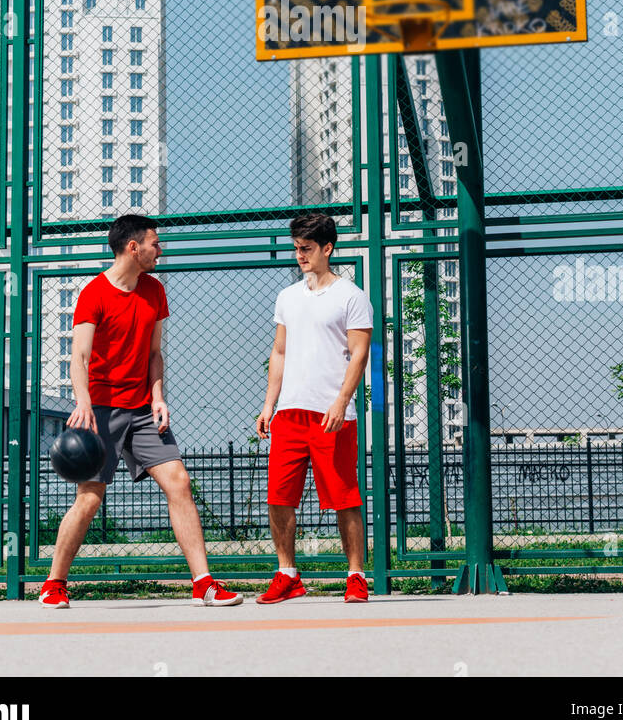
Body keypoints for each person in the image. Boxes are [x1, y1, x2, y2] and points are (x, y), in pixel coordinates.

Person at [39, 214, 243, 609]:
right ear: (133, 247)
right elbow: (78, 357)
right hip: (100, 409)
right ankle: (54, 584)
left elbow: (154, 354)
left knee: (179, 482)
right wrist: (82, 402)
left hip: (143, 409)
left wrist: (158, 397)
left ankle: (204, 584)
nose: (159, 249)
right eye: (155, 243)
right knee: (90, 498)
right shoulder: (94, 293)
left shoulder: (154, 291)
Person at [255, 211, 373, 605]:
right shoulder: (287, 297)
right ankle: (287, 574)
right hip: (289, 412)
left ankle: (356, 576)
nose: (300, 255)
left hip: (331, 415)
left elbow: (358, 355)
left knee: (345, 497)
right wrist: (269, 404)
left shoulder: (351, 296)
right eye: (296, 248)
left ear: (328, 248)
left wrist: (342, 401)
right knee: (279, 496)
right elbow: (279, 351)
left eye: (307, 248)